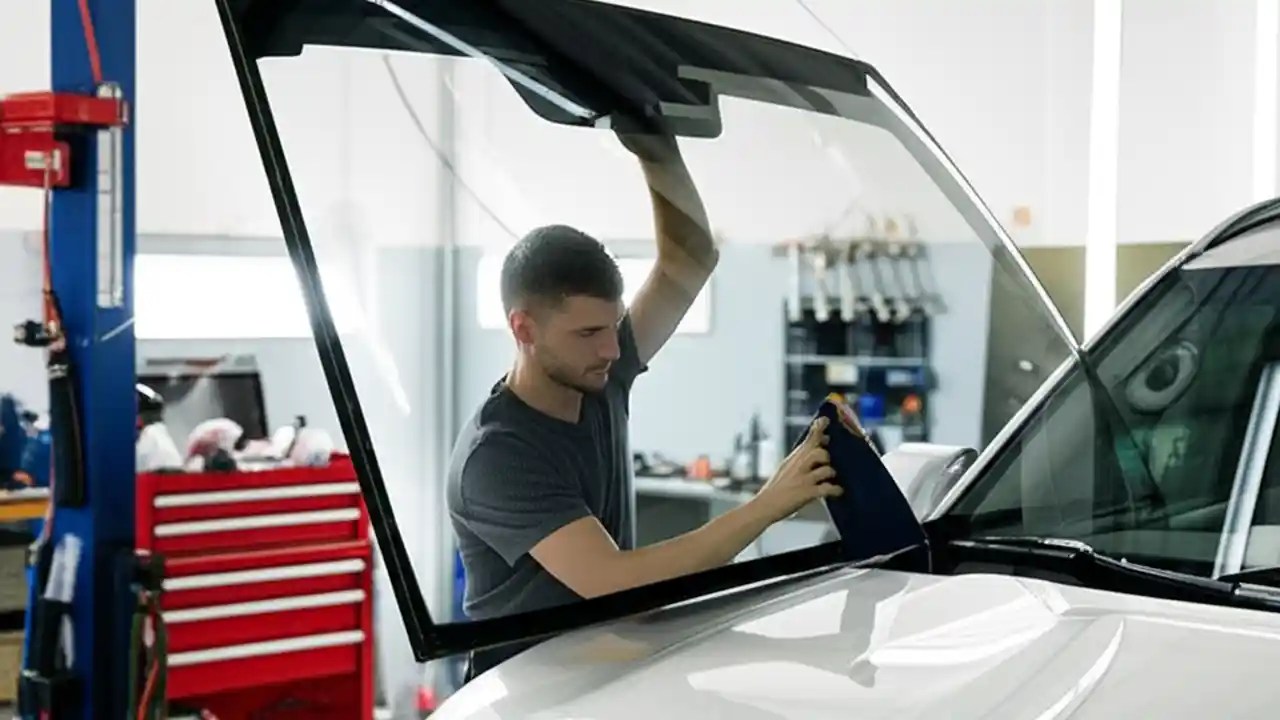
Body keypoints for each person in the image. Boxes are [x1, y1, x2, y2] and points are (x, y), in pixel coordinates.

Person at [446, 131, 843, 679]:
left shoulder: (597, 372)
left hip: (606, 676)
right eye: (588, 332)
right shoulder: (497, 457)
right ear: (523, 328)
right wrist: (768, 503)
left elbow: (692, 258)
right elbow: (620, 585)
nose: (613, 350)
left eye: (613, 327)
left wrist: (653, 142)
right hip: (531, 697)